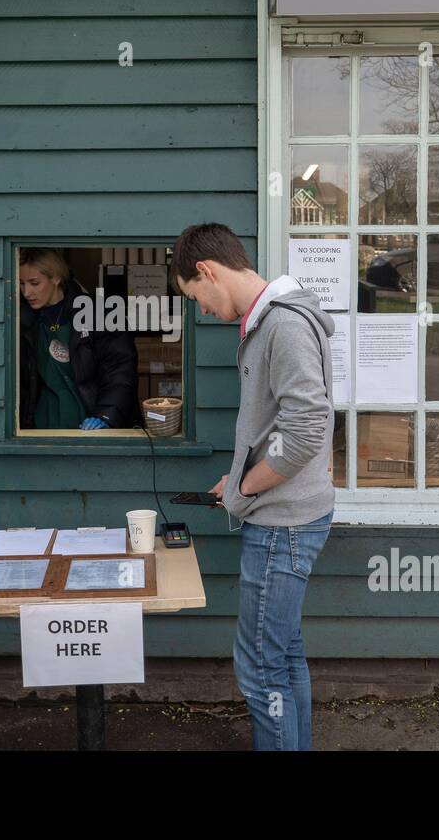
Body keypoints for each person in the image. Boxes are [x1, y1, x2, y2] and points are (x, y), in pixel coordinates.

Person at [171, 223, 335, 751]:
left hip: (282, 524)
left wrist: (245, 491)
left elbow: (307, 429)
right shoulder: (269, 322)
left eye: (195, 296)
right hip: (288, 512)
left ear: (207, 271)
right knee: (283, 656)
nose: (201, 309)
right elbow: (278, 428)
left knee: (261, 669)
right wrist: (241, 476)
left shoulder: (282, 326)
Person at [18, 248, 138, 430]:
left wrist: (106, 415)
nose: (26, 292)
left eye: (34, 283)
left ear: (56, 278)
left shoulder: (99, 312)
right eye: (21, 284)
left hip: (90, 425)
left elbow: (120, 370)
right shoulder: (23, 320)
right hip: (42, 425)